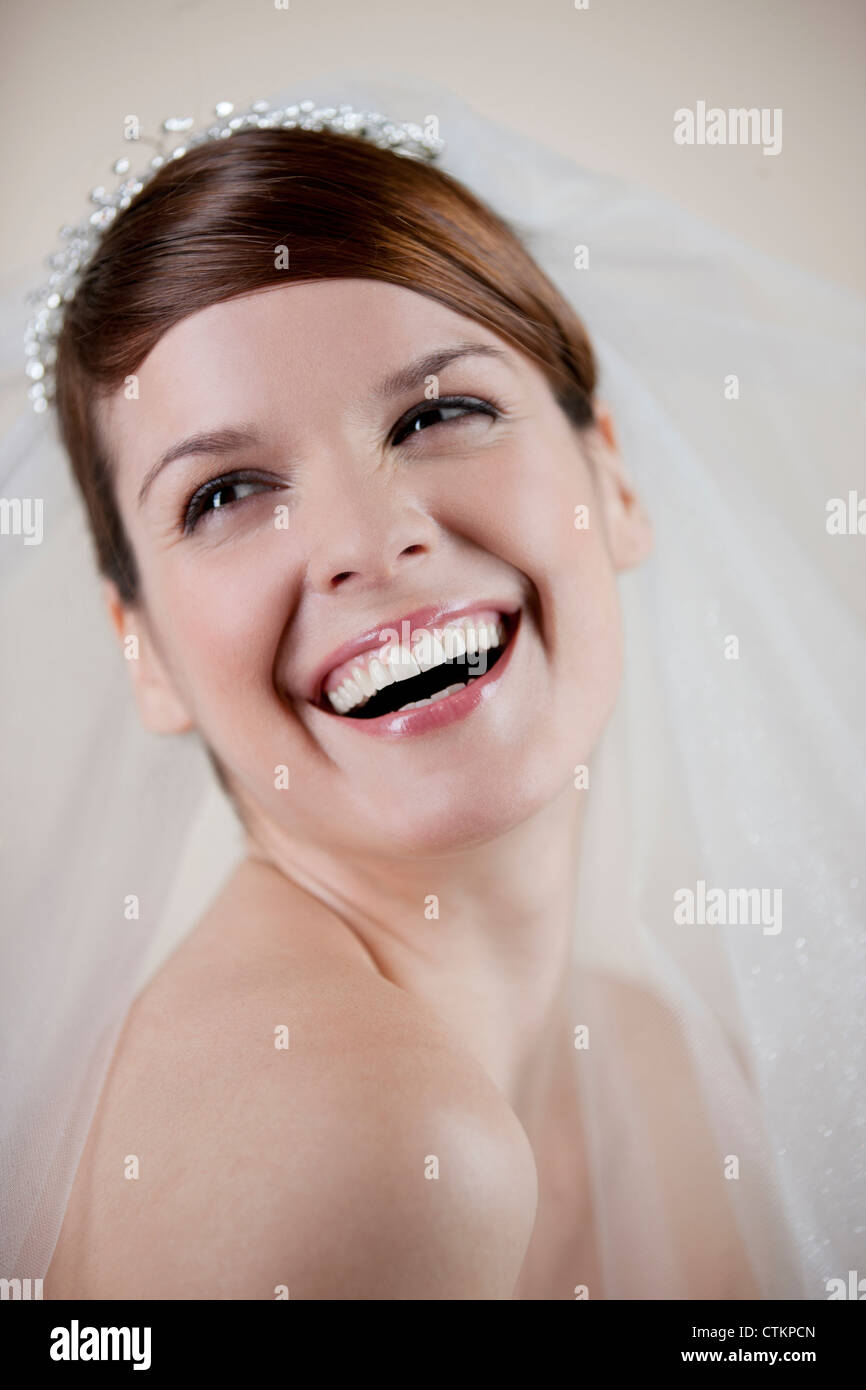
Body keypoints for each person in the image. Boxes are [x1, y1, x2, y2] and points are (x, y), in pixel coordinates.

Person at [2, 79, 863, 1301]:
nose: (368, 538)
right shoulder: (362, 1143)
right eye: (225, 492)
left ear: (611, 478)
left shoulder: (662, 1068)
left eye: (440, 411)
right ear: (140, 647)